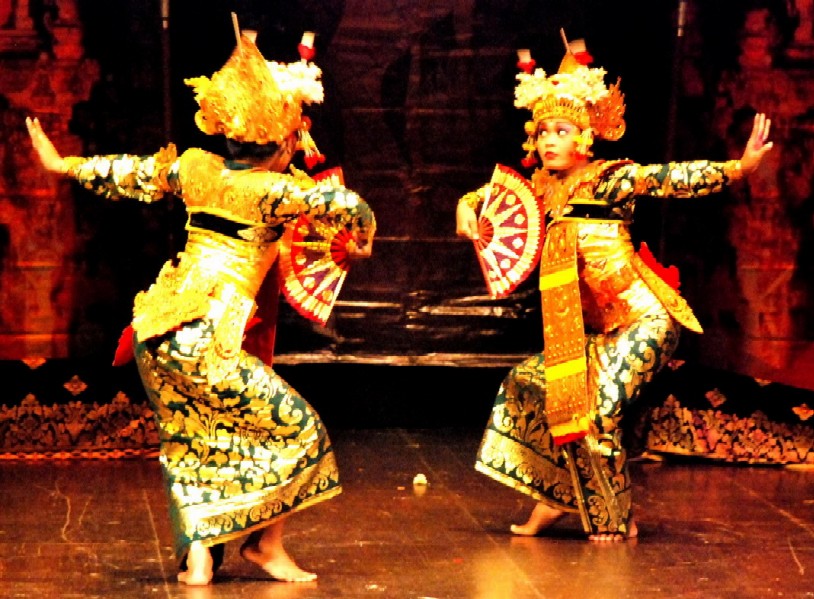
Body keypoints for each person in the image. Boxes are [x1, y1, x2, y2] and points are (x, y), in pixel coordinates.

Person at [26, 29, 375, 584]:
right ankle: (265, 547)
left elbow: (129, 171)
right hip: (206, 339)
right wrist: (360, 238)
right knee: (300, 432)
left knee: (192, 438)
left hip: (155, 334)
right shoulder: (277, 192)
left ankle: (198, 561)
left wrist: (64, 165)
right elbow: (347, 205)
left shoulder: (195, 168)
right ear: (285, 143)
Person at [456, 38, 772, 542]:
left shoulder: (609, 180)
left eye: (561, 132)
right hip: (594, 333)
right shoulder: (542, 187)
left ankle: (612, 518)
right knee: (528, 386)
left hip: (645, 320)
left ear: (585, 137)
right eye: (542, 134)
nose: (548, 143)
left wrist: (737, 167)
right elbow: (490, 195)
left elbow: (668, 178)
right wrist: (467, 206)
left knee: (596, 414)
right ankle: (551, 502)